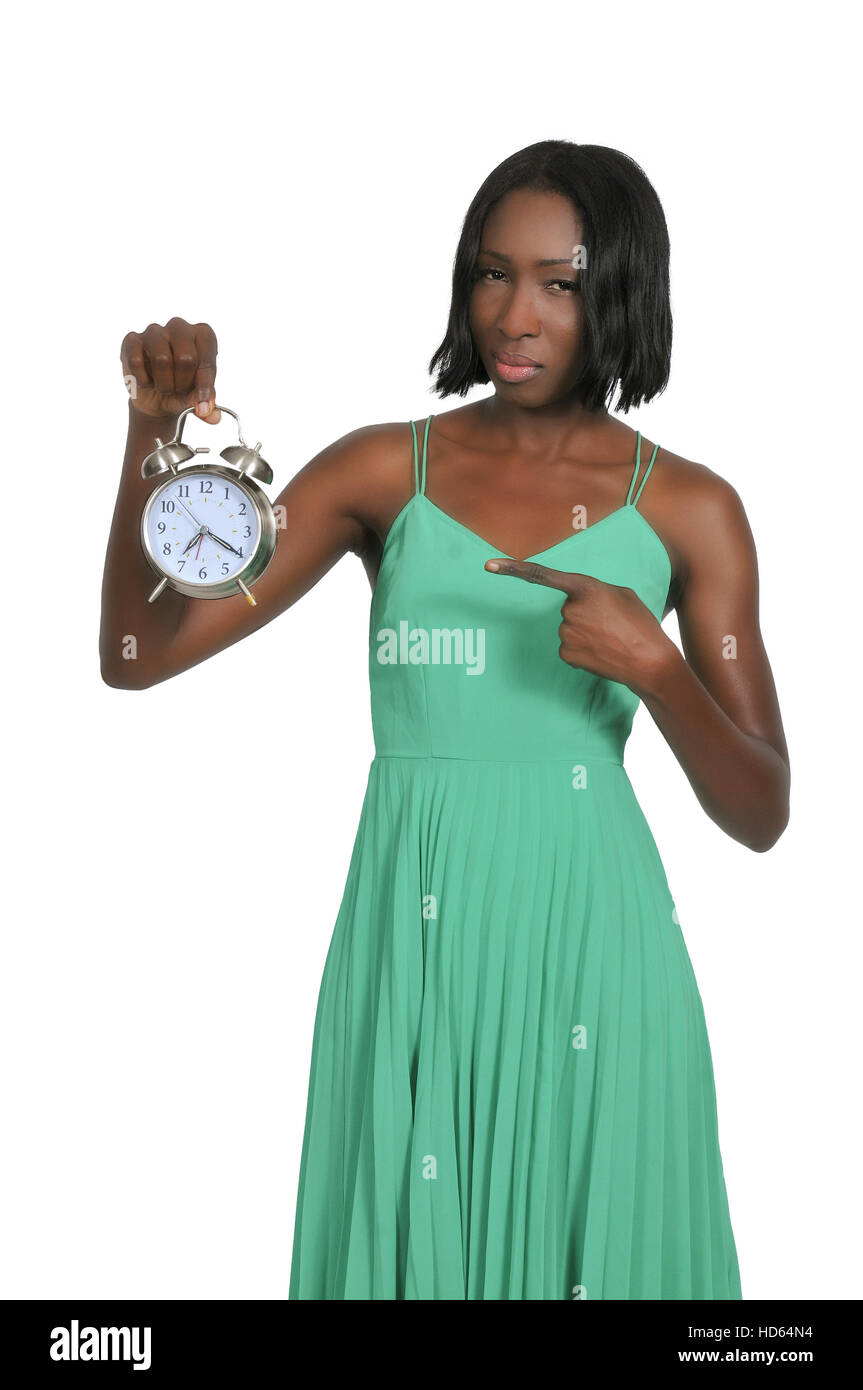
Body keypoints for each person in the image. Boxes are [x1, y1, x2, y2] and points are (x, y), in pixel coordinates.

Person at [100, 139, 789, 1300]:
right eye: (490, 272)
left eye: (558, 284)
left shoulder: (690, 508)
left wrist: (658, 669)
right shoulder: (381, 471)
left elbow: (762, 807)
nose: (513, 314)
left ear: (618, 289)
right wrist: (149, 438)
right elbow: (139, 651)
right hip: (412, 930)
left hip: (591, 945)